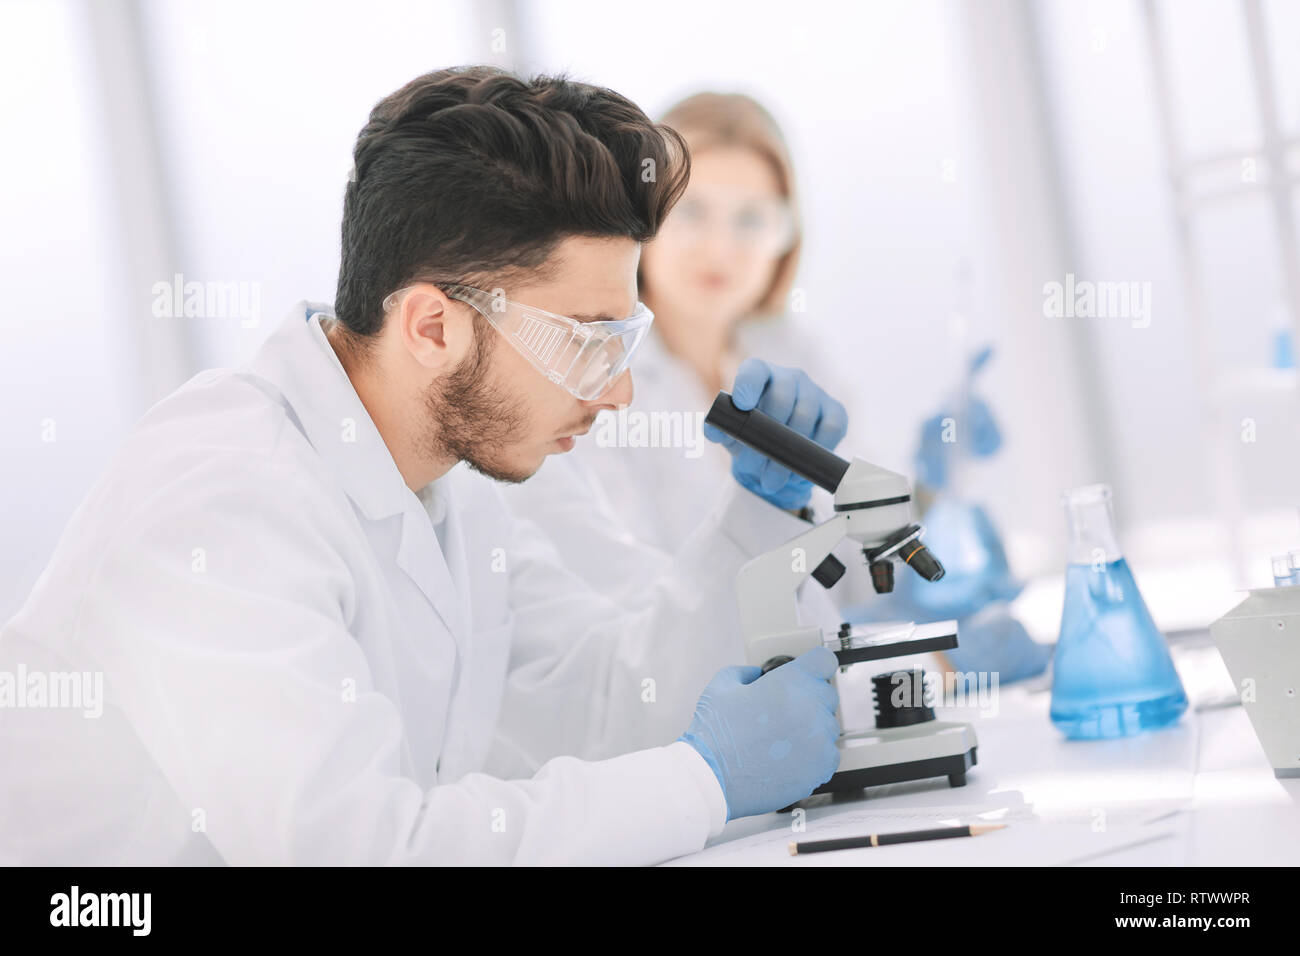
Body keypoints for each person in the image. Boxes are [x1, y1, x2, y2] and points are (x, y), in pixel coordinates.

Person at [0, 67, 850, 866]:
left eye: (624, 341)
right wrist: (704, 781)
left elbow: (598, 701)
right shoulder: (222, 501)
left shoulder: (448, 485)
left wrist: (753, 517)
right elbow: (363, 850)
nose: (621, 391)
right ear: (432, 328)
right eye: (586, 340)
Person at [504, 92, 1050, 688]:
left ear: (785, 238)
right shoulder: (590, 380)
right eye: (692, 213)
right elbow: (637, 609)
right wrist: (925, 662)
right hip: (698, 697)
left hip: (813, 679)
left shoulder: (788, 350)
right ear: (645, 219)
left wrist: (934, 492)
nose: (722, 247)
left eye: (752, 219)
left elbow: (856, 551)